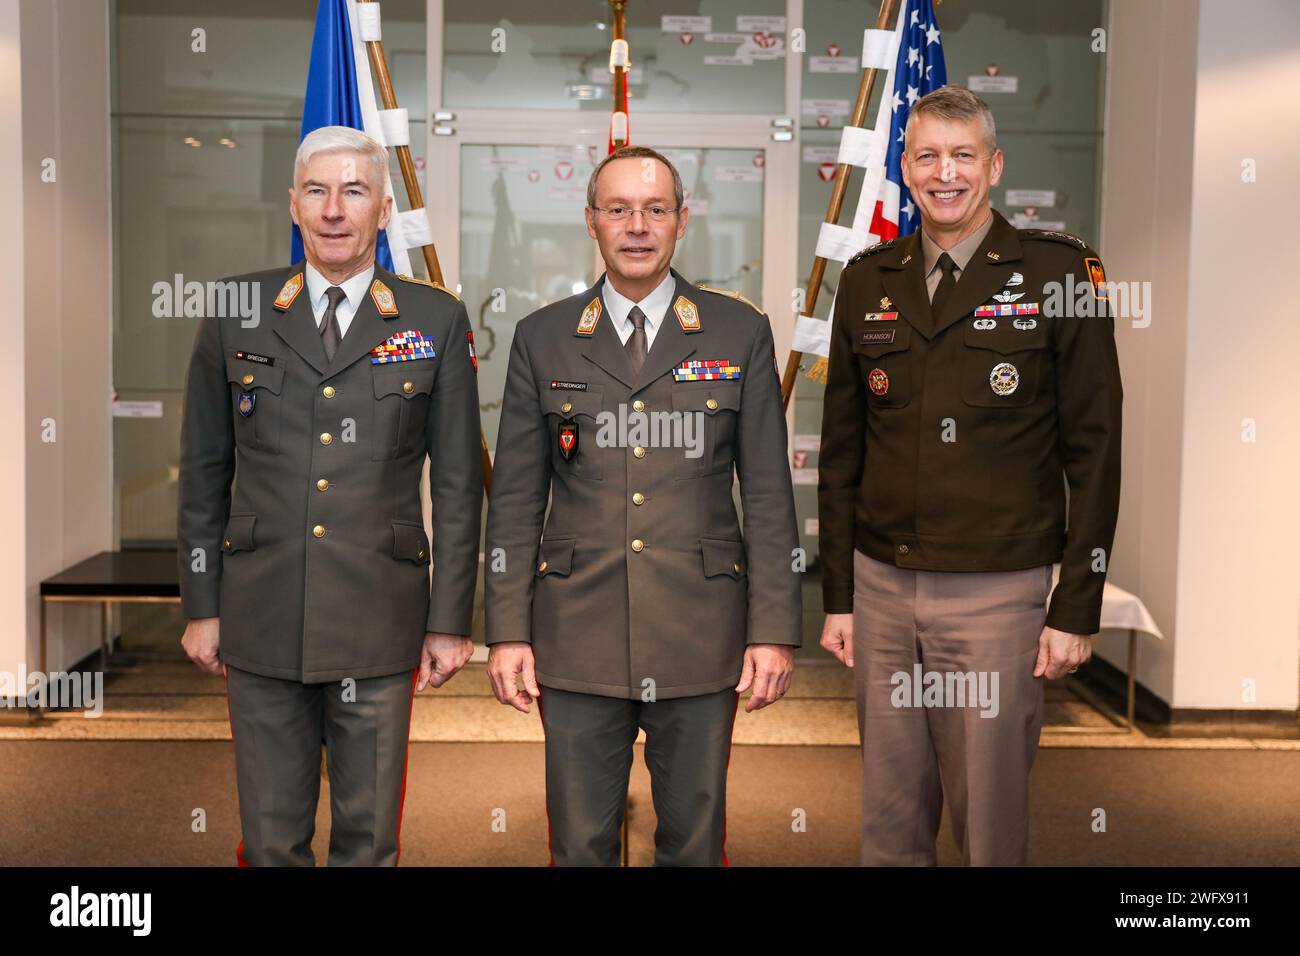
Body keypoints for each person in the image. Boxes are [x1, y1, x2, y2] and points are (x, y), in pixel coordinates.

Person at [818, 86, 1123, 866]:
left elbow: (1096, 449)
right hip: (883, 588)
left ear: (993, 166)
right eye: (926, 156)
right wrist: (839, 597)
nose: (943, 174)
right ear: (906, 168)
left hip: (999, 593)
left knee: (988, 824)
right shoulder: (867, 279)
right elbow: (843, 451)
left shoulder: (1058, 272)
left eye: (962, 156)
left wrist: (1077, 605)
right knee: (889, 817)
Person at [484, 145, 801, 866]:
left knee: (692, 842)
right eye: (619, 209)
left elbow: (768, 495)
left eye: (655, 209)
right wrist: (506, 631)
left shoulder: (735, 331)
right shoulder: (543, 336)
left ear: (681, 221)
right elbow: (515, 500)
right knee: (581, 843)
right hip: (575, 634)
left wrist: (774, 628)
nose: (637, 225)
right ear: (590, 221)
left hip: (699, 629)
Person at [176, 125, 483, 866]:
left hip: (380, 620)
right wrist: (202, 605)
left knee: (368, 839)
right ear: (294, 204)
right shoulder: (237, 308)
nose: (334, 209)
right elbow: (203, 469)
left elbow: (459, 482)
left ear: (383, 209)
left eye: (353, 192)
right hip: (261, 614)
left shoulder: (433, 318)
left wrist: (449, 620)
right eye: (317, 191)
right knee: (273, 837)